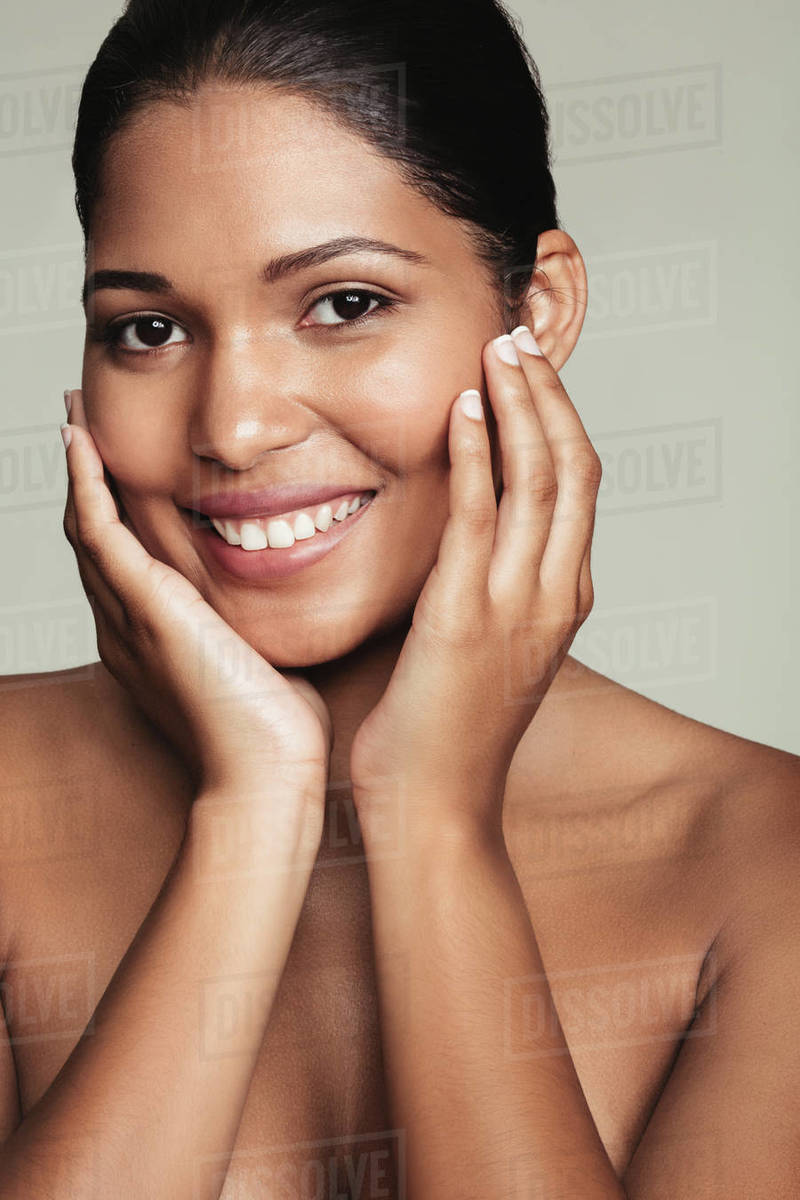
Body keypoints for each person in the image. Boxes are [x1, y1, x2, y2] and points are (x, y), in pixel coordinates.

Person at [0, 1, 797, 1196]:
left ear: (536, 313)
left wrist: (431, 819)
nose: (234, 426)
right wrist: (249, 811)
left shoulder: (757, 863)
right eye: (149, 329)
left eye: (343, 304)